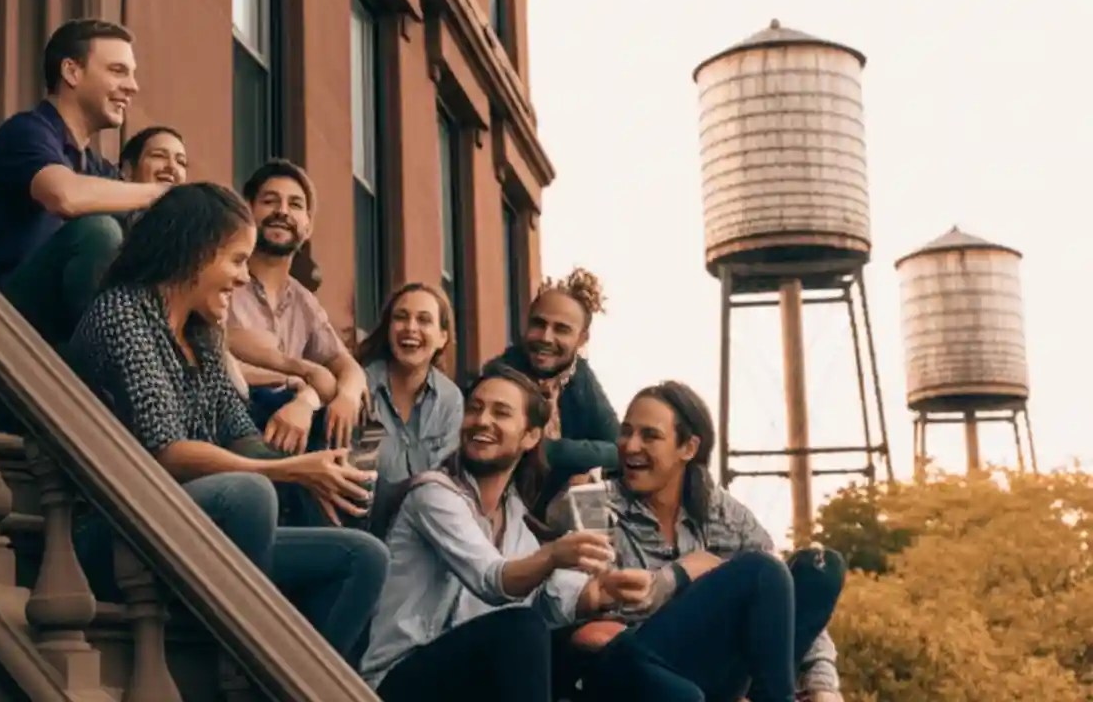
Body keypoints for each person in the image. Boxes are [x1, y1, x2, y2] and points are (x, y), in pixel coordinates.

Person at [67, 182, 387, 657]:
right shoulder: (123, 313)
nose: (242, 278)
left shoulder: (202, 335)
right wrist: (287, 470)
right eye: (237, 261)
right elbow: (167, 452)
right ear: (195, 252)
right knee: (250, 493)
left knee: (363, 556)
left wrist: (319, 471)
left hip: (192, 528)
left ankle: (291, 679)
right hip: (115, 529)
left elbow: (241, 435)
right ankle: (250, 662)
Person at [361, 365, 660, 702]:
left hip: (468, 683)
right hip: (398, 683)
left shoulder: (515, 517)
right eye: (475, 408)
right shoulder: (433, 495)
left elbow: (547, 599)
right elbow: (492, 579)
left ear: (530, 436)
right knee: (522, 628)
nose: (482, 420)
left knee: (612, 653)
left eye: (500, 413)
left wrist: (599, 592)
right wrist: (552, 555)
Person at [549, 381, 846, 702]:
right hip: (634, 666)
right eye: (626, 432)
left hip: (717, 670)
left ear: (688, 448)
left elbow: (779, 602)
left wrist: (822, 683)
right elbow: (576, 619)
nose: (630, 446)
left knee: (820, 568)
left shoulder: (724, 514)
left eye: (649, 436)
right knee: (761, 571)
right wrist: (678, 575)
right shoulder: (594, 504)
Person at [0, 18, 169, 350]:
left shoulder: (96, 168)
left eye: (132, 74)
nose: (132, 86)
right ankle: (110, 363)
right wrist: (160, 194)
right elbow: (64, 196)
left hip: (51, 336)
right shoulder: (26, 131)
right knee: (99, 232)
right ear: (72, 72)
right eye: (118, 71)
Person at [228, 159, 367, 457]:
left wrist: (347, 397)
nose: (282, 211)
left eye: (295, 205)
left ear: (308, 226)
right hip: (232, 420)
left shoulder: (305, 302)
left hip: (289, 430)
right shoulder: (223, 277)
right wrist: (302, 383)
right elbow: (215, 362)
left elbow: (346, 366)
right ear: (247, 211)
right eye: (270, 201)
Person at [486, 267, 620, 505]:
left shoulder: (580, 377)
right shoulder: (500, 376)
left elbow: (620, 449)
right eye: (538, 324)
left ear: (582, 338)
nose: (546, 337)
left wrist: (579, 468)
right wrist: (572, 456)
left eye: (561, 329)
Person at [354, 282, 463, 536]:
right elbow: (356, 479)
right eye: (401, 317)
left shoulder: (450, 399)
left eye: (424, 320)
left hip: (426, 531)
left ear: (443, 337)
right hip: (365, 530)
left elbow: (447, 485)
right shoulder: (359, 388)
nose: (411, 328)